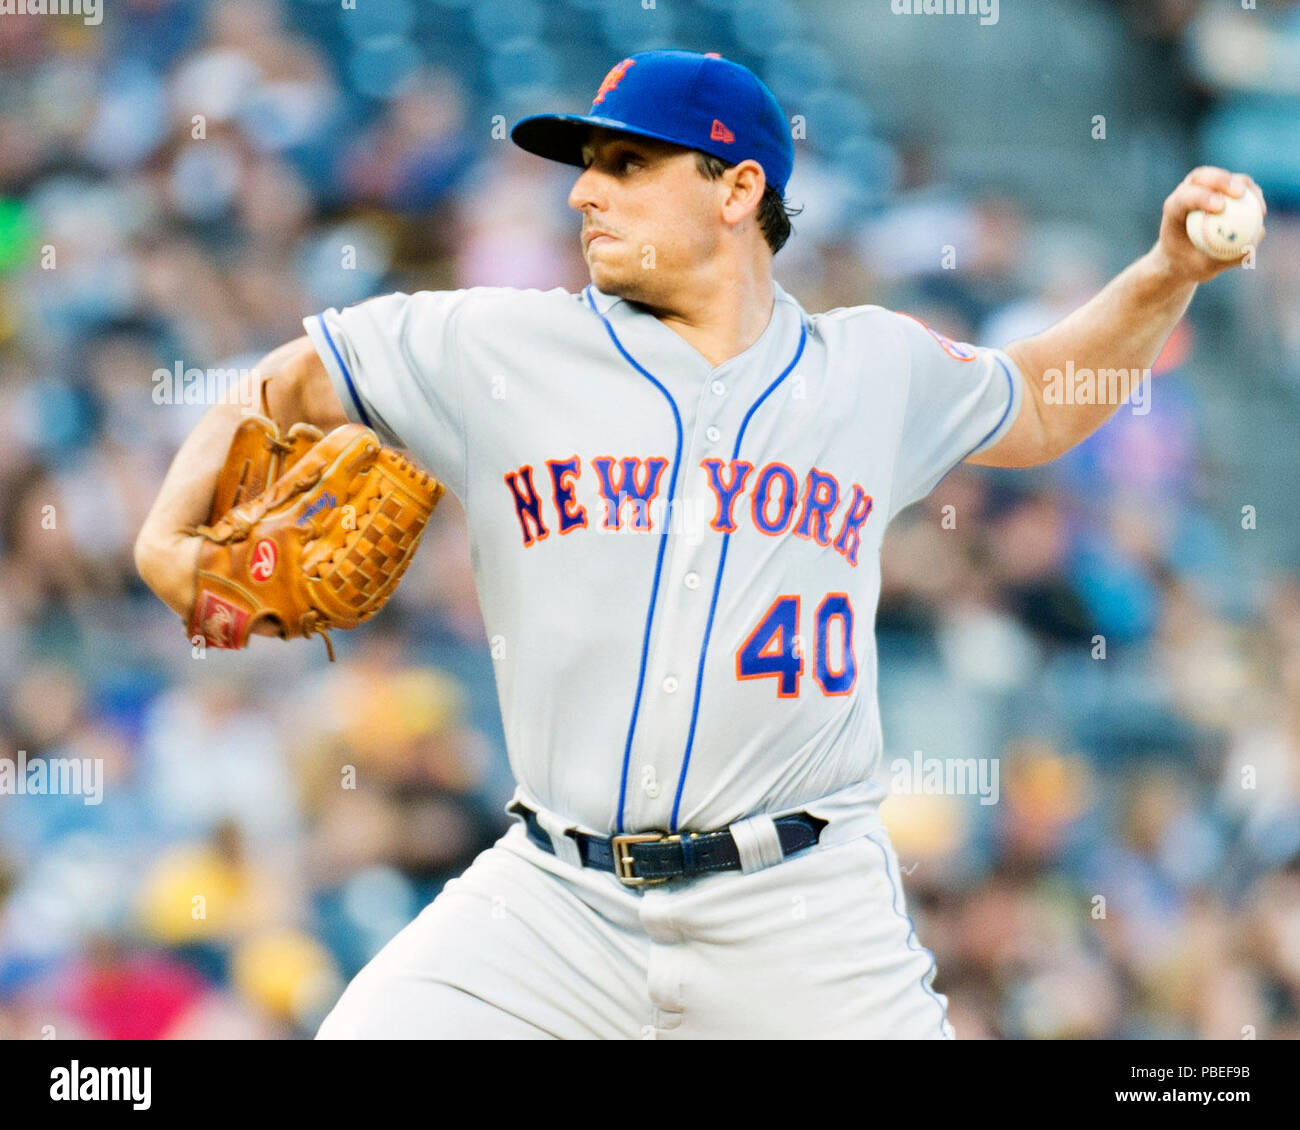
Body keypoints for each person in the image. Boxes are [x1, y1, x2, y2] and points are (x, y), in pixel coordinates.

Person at [134, 49, 1266, 1038]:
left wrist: (1166, 273)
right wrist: (168, 541)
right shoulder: (495, 341)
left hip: (799, 908)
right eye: (583, 167)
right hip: (555, 898)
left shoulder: (869, 369)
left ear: (737, 189)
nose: (584, 194)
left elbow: (1043, 399)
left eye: (626, 165)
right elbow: (285, 381)